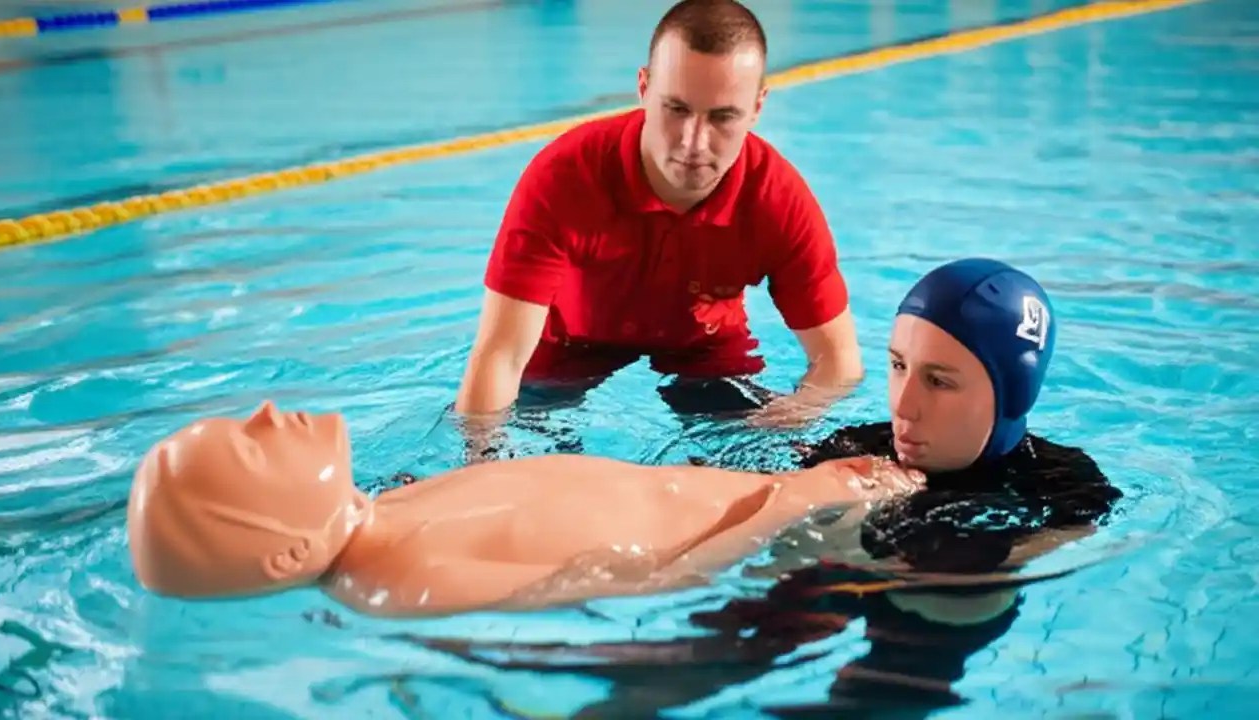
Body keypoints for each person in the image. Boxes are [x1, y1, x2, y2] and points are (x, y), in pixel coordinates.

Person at [393, 258, 1125, 717]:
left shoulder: (1065, 490)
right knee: (720, 643)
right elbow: (747, 512)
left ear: (1012, 391)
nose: (903, 405)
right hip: (827, 575)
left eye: (939, 381)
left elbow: (1026, 573)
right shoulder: (859, 446)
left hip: (925, 624)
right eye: (898, 366)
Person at [454, 0, 861, 453]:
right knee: (510, 447)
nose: (693, 142)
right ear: (644, 88)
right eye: (677, 109)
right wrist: (480, 463)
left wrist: (783, 422)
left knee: (763, 464)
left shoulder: (778, 200)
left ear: (757, 107)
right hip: (568, 345)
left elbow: (838, 361)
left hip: (702, 349)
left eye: (723, 117)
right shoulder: (565, 178)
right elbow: (501, 355)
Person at [125, 400, 925, 618]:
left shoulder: (386, 511)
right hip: (806, 531)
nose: (266, 412)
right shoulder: (408, 580)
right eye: (250, 448)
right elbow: (650, 581)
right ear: (285, 557)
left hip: (775, 493)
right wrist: (803, 499)